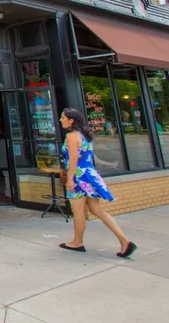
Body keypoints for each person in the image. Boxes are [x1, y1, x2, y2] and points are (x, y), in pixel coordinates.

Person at [59, 108, 136, 257]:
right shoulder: (84, 135)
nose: (61, 119)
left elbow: (74, 159)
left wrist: (70, 180)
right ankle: (124, 240)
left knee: (78, 211)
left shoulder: (72, 136)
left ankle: (77, 242)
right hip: (90, 175)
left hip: (78, 177)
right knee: (97, 210)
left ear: (71, 120)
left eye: (63, 117)